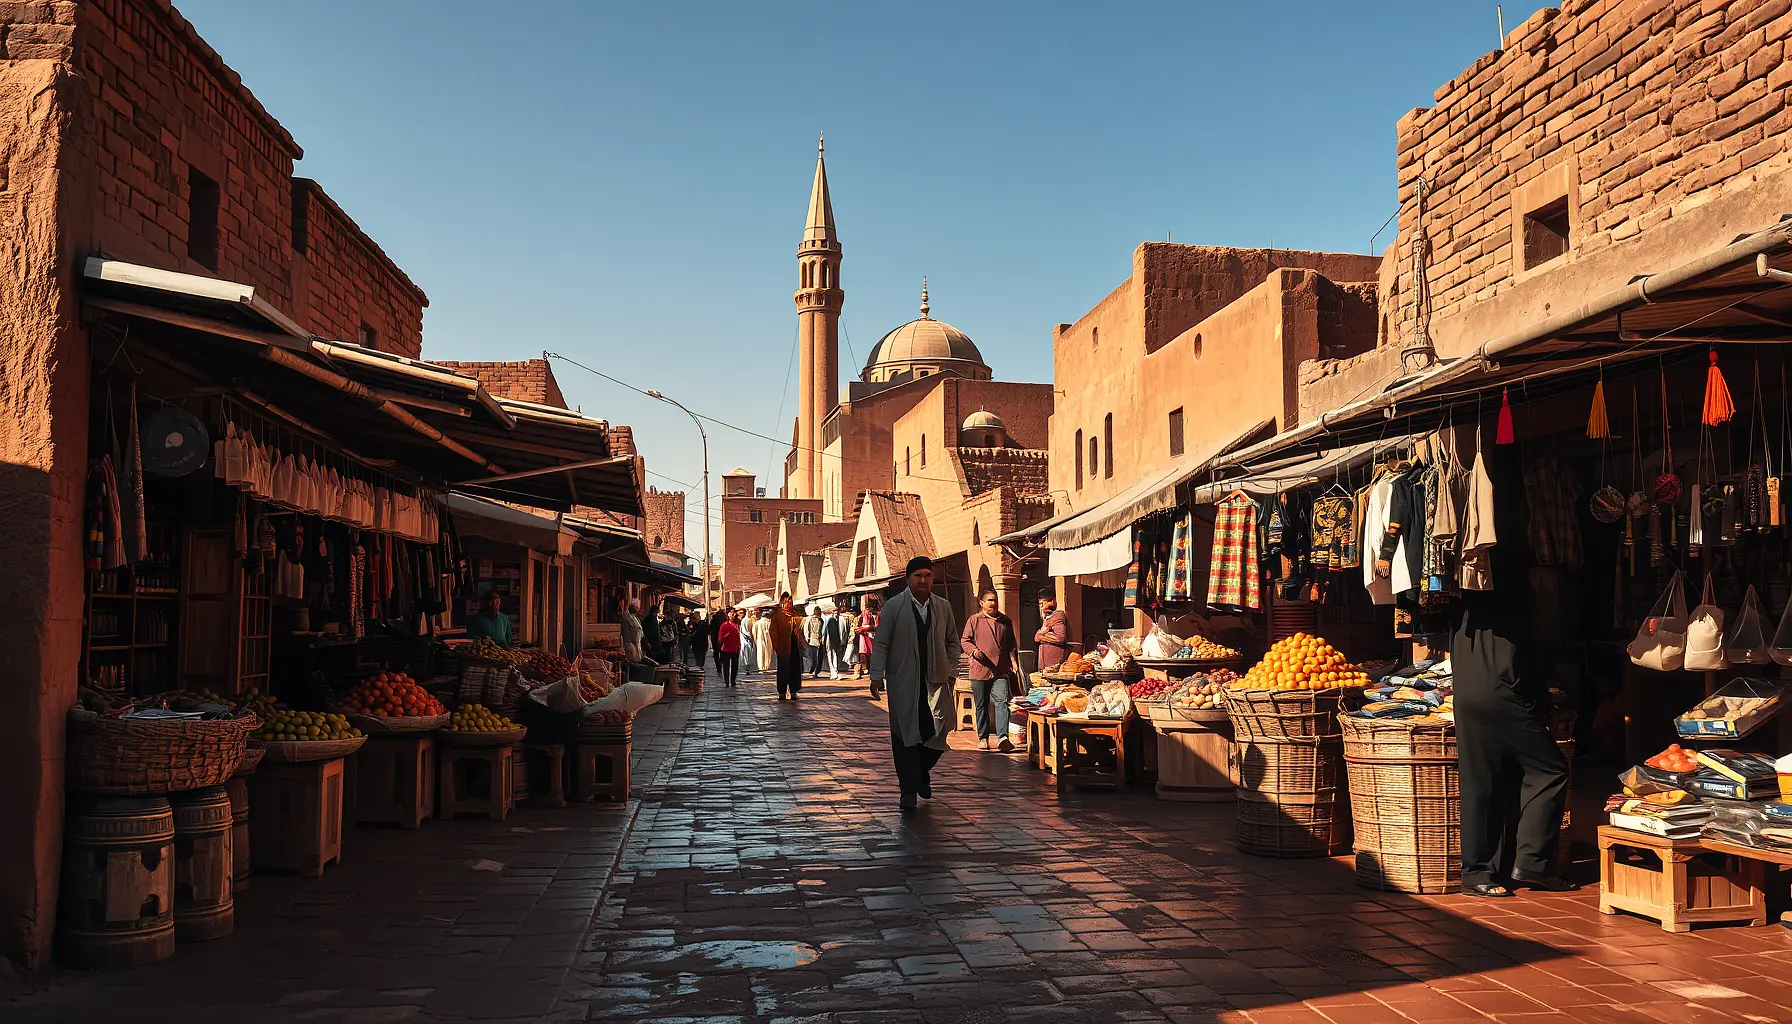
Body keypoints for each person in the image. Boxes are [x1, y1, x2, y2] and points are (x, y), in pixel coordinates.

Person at [1452, 446, 1574, 898]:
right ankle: (1531, 863)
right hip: (1502, 692)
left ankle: (1479, 874)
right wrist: (1541, 699)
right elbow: (1522, 657)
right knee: (1549, 770)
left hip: (1466, 693)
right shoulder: (1518, 595)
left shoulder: (1463, 586)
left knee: (1481, 783)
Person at [870, 556, 961, 810]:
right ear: (908, 579)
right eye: (918, 576)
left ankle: (920, 772)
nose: (923, 580)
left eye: (927, 575)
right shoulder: (894, 607)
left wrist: (951, 669)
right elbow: (881, 643)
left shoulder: (942, 607)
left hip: (936, 681)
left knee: (939, 730)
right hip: (904, 682)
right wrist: (876, 675)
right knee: (904, 736)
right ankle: (908, 791)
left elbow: (953, 642)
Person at [961, 589, 1018, 752]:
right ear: (981, 602)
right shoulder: (974, 620)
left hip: (1000, 670)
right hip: (980, 670)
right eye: (990, 600)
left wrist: (1013, 660)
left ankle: (1003, 737)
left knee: (1002, 701)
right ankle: (983, 737)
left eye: (995, 600)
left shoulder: (1005, 621)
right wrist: (974, 652)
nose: (993, 603)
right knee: (981, 705)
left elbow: (1011, 643)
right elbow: (965, 641)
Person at [772, 593, 805, 699]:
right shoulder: (778, 615)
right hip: (783, 646)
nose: (789, 603)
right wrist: (776, 646)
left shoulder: (795, 614)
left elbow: (800, 630)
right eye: (787, 601)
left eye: (791, 601)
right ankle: (782, 692)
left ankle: (794, 691)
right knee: (783, 669)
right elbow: (773, 632)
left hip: (794, 644)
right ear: (783, 603)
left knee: (795, 668)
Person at [1035, 595, 1070, 672]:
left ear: (1052, 602)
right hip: (1045, 663)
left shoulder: (1058, 616)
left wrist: (1040, 635)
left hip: (1053, 662)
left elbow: (1060, 638)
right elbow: (1036, 638)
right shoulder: (1047, 618)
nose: (1041, 607)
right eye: (1040, 604)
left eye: (1043, 603)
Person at [855, 595, 881, 692]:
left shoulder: (877, 616)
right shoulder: (862, 619)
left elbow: (877, 627)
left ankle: (878, 683)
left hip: (875, 640)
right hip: (868, 640)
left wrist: (868, 628)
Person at [716, 610, 742, 688]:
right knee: (726, 666)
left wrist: (739, 646)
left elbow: (739, 637)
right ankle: (727, 681)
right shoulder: (723, 625)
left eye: (733, 613)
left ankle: (733, 680)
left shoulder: (737, 625)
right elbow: (720, 637)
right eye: (730, 613)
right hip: (726, 648)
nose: (732, 615)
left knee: (735, 666)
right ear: (727, 615)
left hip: (735, 648)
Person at [823, 605, 849, 680]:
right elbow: (826, 631)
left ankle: (835, 671)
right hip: (830, 641)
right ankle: (833, 672)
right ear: (832, 612)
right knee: (830, 656)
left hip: (838, 641)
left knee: (836, 656)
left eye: (837, 612)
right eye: (834, 612)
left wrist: (843, 640)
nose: (836, 613)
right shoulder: (829, 619)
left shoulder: (842, 620)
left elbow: (844, 631)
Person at [804, 604, 826, 678]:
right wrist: (807, 638)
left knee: (820, 657)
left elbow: (822, 630)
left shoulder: (821, 620)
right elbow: (806, 629)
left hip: (820, 641)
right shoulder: (810, 619)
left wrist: (822, 637)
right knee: (814, 657)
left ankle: (817, 671)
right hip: (812, 640)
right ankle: (813, 671)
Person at [752, 608, 774, 673]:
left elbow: (754, 632)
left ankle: (761, 667)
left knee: (760, 652)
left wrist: (756, 639)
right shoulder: (770, 622)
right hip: (769, 639)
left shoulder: (757, 623)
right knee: (767, 652)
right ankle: (767, 666)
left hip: (759, 639)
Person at [709, 608, 727, 673]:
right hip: (723, 638)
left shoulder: (713, 620)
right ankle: (723, 664)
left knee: (716, 653)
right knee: (723, 652)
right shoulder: (724, 619)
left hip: (714, 638)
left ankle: (718, 667)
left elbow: (710, 630)